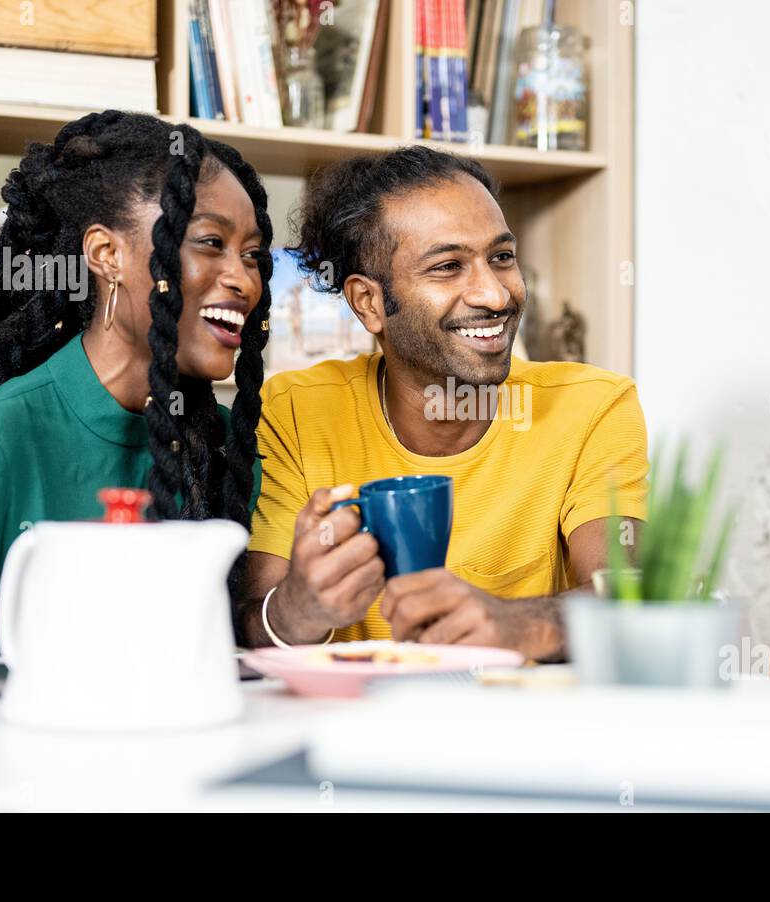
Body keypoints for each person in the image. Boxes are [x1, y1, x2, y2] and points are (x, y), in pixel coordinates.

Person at [0, 111, 272, 653]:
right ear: (106, 255)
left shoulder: (235, 451)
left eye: (253, 255)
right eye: (210, 242)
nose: (243, 279)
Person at [239, 146, 648, 661]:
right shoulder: (295, 410)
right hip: (351, 730)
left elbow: (629, 596)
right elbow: (253, 620)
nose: (496, 295)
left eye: (502, 257)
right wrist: (297, 609)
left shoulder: (593, 408)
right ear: (368, 302)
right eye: (448, 267)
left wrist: (516, 623)